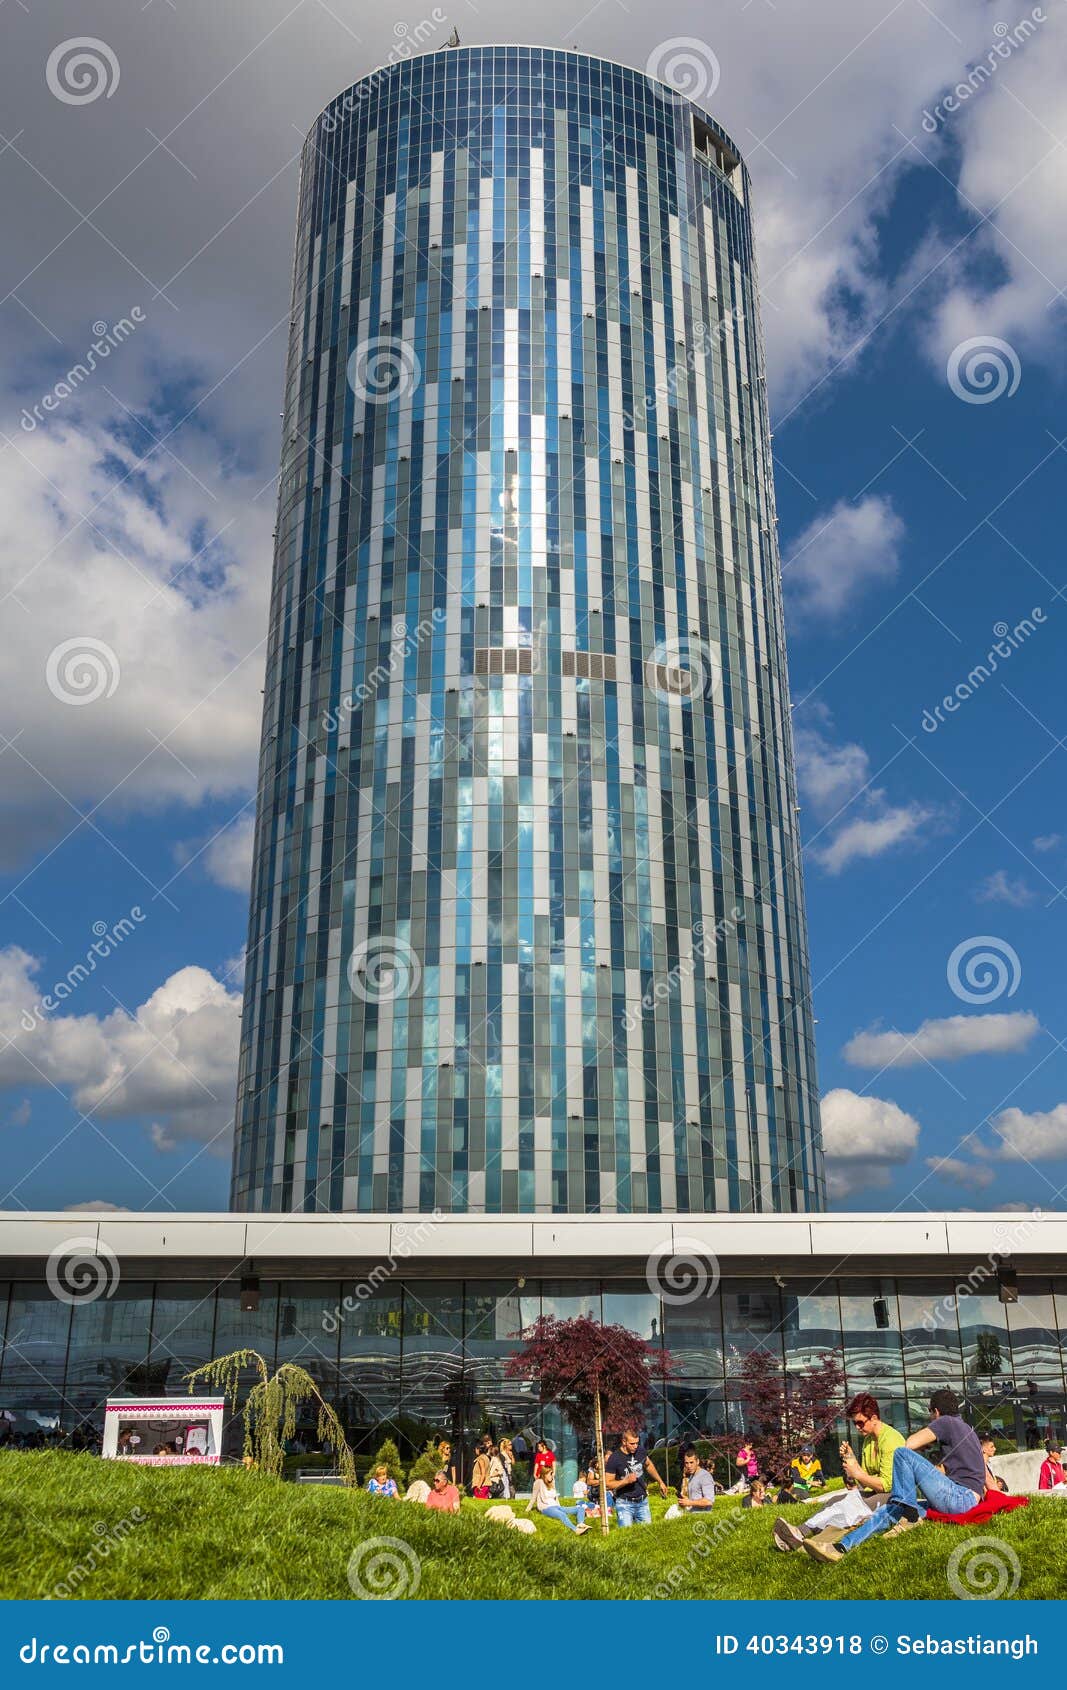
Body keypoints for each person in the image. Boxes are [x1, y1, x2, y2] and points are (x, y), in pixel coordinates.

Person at [804, 1390, 986, 1565]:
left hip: (959, 1497)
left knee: (901, 1453)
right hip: (963, 1498)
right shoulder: (968, 1430)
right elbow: (982, 1474)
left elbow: (909, 1444)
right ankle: (841, 1547)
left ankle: (909, 1516)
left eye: (930, 1413)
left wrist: (922, 1445)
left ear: (936, 1411)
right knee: (891, 1509)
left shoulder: (946, 1421)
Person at [773, 1393, 905, 1555]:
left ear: (874, 1418)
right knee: (835, 1500)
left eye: (860, 1422)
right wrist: (852, 1459)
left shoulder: (890, 1440)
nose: (857, 1427)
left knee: (851, 1504)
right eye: (855, 1423)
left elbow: (886, 1485)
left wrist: (857, 1473)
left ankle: (802, 1535)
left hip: (897, 1495)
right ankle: (800, 1532)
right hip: (878, 1492)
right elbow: (866, 1481)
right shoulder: (869, 1440)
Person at [604, 1427, 669, 1526]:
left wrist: (660, 1482)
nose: (635, 1446)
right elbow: (607, 1484)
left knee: (646, 1532)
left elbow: (648, 1465)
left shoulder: (640, 1450)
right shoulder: (614, 1458)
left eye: (637, 1443)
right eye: (632, 1444)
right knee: (627, 1534)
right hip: (624, 1503)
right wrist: (625, 1481)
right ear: (624, 1442)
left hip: (642, 1502)